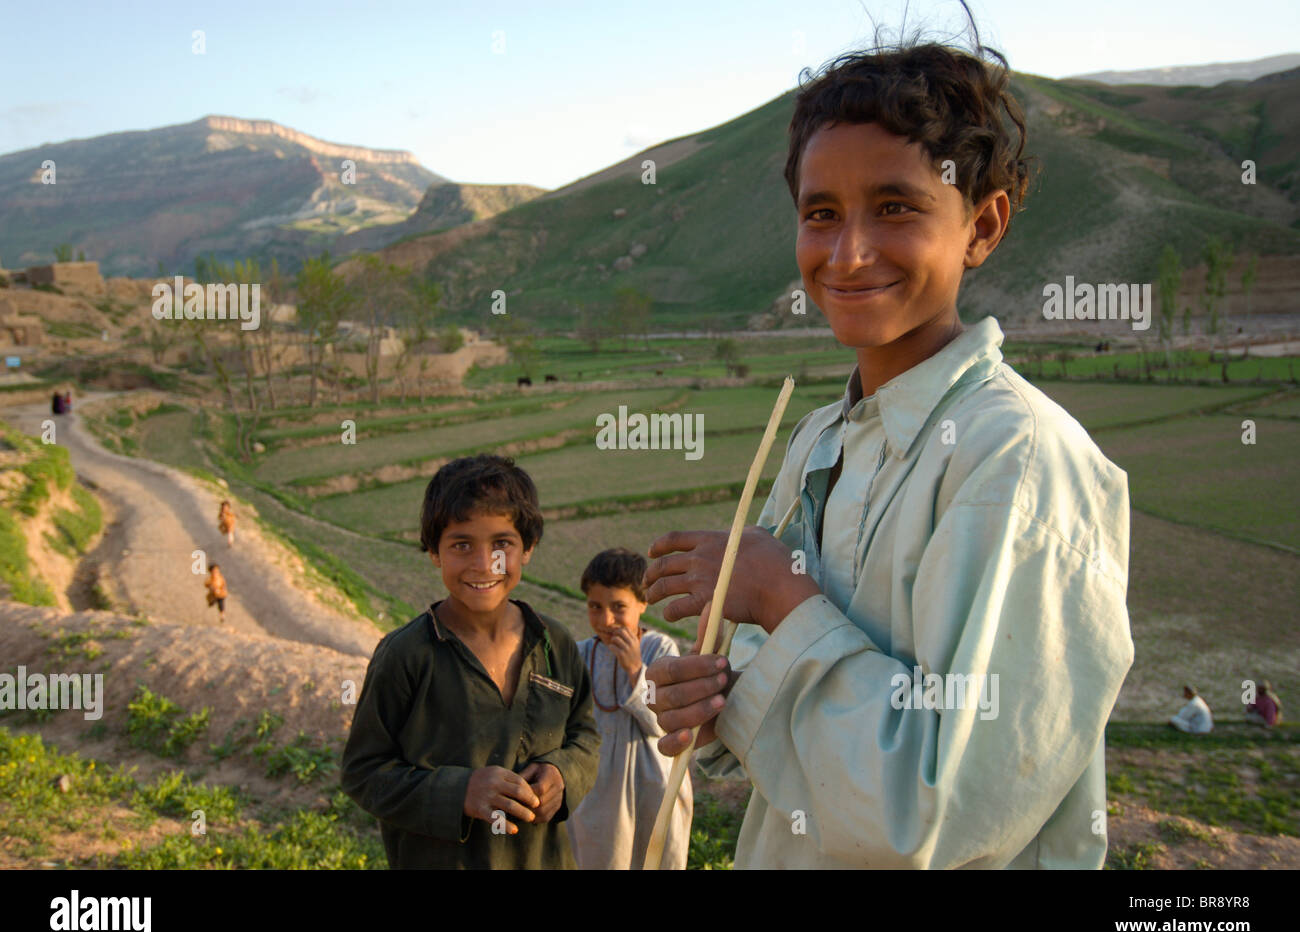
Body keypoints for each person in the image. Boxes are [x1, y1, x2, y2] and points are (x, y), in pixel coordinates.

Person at [642, 32, 1134, 869]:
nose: (849, 253)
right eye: (821, 212)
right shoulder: (818, 441)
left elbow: (934, 813)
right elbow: (785, 719)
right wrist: (716, 699)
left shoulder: (1017, 463)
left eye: (896, 207)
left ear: (981, 226)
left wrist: (781, 598)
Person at [341, 454, 600, 868]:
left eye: (502, 544)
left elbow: (585, 734)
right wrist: (458, 792)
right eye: (462, 545)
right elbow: (363, 772)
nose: (484, 564)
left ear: (527, 548)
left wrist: (563, 772)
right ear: (434, 553)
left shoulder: (555, 644)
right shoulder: (406, 656)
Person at [569, 548, 692, 870]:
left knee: (652, 857)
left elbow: (665, 725)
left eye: (618, 607)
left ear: (642, 604)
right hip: (596, 790)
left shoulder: (660, 649)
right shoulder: (580, 654)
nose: (606, 620)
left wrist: (636, 669)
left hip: (652, 785)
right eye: (595, 607)